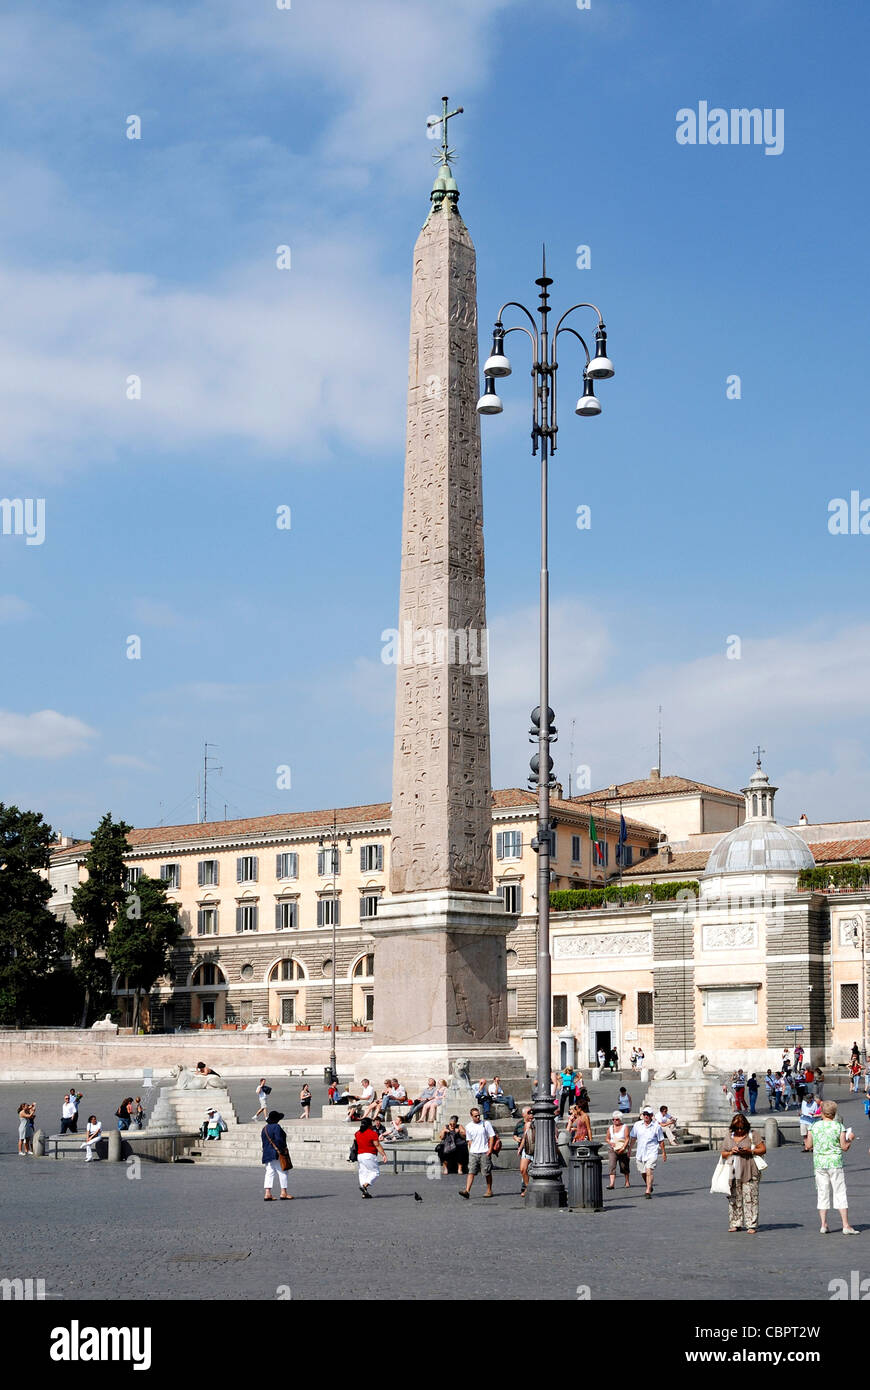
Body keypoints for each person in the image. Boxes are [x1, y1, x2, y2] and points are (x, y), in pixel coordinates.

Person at [805, 1099, 858, 1234]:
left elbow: (808, 1146)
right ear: (834, 1114)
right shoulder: (839, 1126)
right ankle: (845, 1225)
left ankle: (823, 1224)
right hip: (835, 1163)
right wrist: (850, 1138)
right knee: (839, 1192)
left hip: (820, 1163)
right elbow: (844, 1147)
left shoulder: (814, 1126)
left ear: (822, 1112)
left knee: (823, 1193)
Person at [721, 1113, 766, 1234]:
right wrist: (731, 1152)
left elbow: (762, 1149)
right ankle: (735, 1223)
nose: (740, 1130)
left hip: (750, 1170)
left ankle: (751, 1224)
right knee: (734, 1198)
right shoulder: (729, 1136)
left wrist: (750, 1151)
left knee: (750, 1197)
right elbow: (723, 1154)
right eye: (737, 1128)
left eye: (742, 1128)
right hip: (733, 1172)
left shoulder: (753, 1134)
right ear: (733, 1128)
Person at [459, 1106, 497, 1200]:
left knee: (487, 1172)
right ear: (471, 1116)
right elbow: (469, 1140)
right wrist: (471, 1149)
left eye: (479, 1115)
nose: (478, 1117)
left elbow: (492, 1136)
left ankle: (489, 1190)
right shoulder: (468, 1126)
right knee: (471, 1172)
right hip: (474, 1152)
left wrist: (490, 1149)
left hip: (484, 1151)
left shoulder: (486, 1124)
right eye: (476, 1116)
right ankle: (467, 1191)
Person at [629, 1106, 666, 1198]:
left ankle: (648, 1191)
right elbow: (633, 1138)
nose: (646, 1116)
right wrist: (630, 1149)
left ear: (651, 1116)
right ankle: (649, 1184)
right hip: (640, 1153)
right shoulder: (637, 1125)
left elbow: (661, 1140)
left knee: (649, 1170)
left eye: (648, 1114)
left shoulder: (656, 1127)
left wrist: (664, 1153)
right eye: (644, 1114)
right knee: (643, 1172)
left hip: (651, 1152)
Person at [261, 1109, 292, 1201]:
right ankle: (283, 1192)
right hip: (277, 1153)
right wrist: (283, 1150)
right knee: (283, 1171)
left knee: (269, 1173)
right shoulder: (277, 1127)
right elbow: (279, 1140)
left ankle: (267, 1193)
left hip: (267, 1153)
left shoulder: (264, 1128)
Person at [353, 1115, 386, 1197]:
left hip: (360, 1155)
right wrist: (384, 1155)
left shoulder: (357, 1133)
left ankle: (364, 1193)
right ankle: (365, 1186)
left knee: (363, 1173)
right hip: (369, 1155)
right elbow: (377, 1145)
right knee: (375, 1172)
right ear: (369, 1125)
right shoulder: (372, 1133)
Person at [606, 1111, 631, 1189]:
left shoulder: (625, 1127)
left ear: (620, 1119)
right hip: (612, 1149)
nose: (614, 1121)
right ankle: (612, 1183)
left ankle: (627, 1181)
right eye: (613, 1119)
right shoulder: (610, 1128)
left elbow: (627, 1138)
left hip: (622, 1149)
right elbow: (607, 1138)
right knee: (612, 1165)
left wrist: (623, 1148)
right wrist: (610, 1142)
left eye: (616, 1119)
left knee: (624, 1166)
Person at [516, 1108, 535, 1195]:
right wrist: (520, 1148)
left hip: (536, 1149)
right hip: (527, 1149)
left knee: (533, 1171)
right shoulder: (526, 1124)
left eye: (532, 1113)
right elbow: (524, 1137)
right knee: (523, 1169)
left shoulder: (538, 1122)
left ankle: (529, 1188)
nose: (531, 1115)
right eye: (529, 1113)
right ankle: (528, 1187)